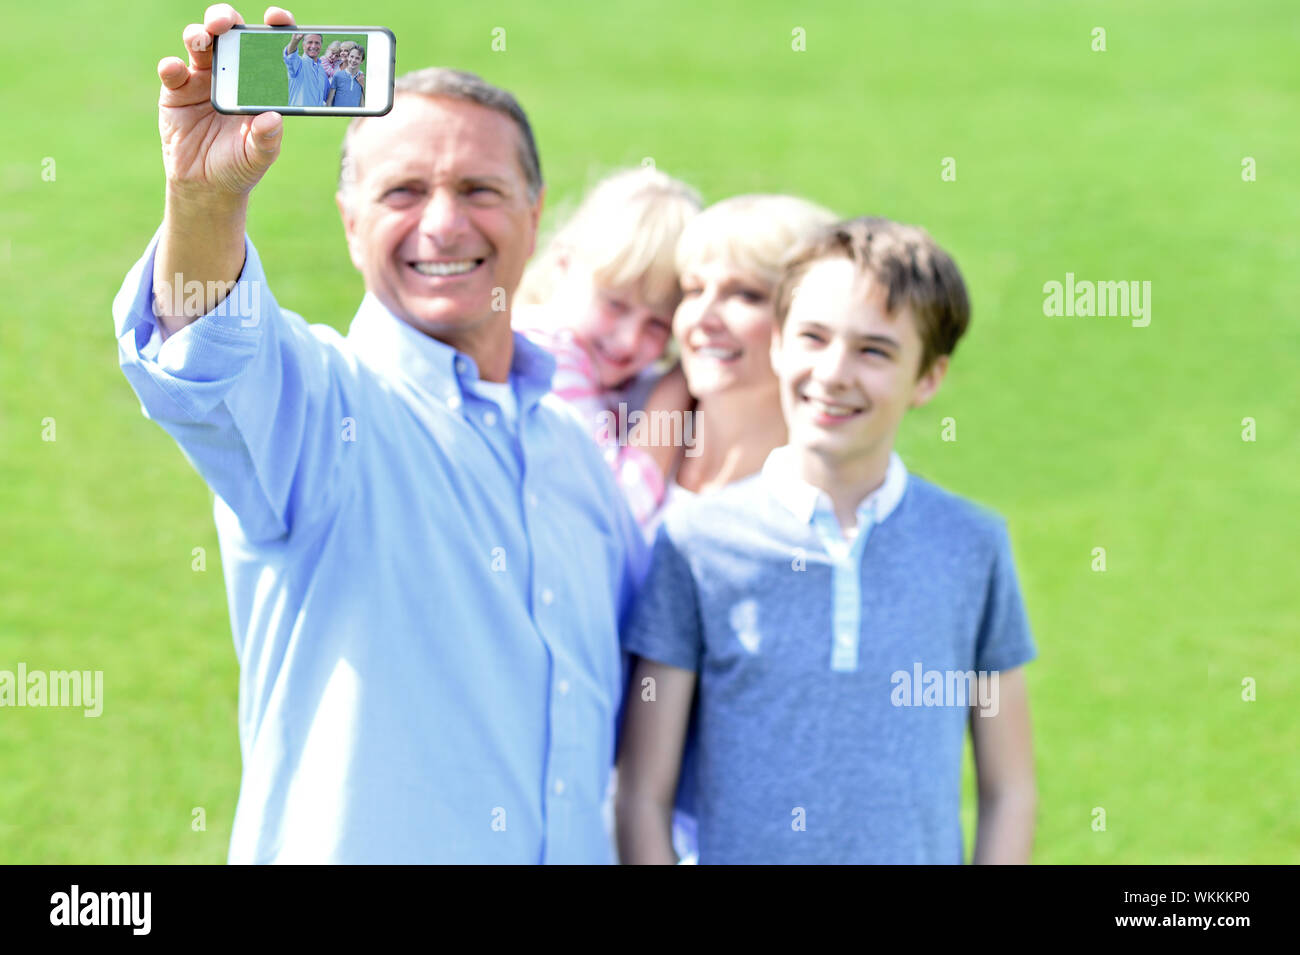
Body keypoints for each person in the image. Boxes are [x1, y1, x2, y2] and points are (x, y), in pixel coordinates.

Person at [115, 4, 646, 863]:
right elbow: (207, 354)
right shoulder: (326, 407)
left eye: (479, 190)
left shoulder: (578, 457)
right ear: (349, 218)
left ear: (535, 213)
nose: (443, 224)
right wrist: (204, 202)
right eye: (404, 192)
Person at [616, 217, 1038, 864]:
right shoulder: (698, 543)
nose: (834, 372)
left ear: (928, 377)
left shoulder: (972, 546)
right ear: (779, 345)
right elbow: (643, 794)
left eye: (875, 350)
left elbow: (1009, 788)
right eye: (813, 337)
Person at [513, 167, 701, 524]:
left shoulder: (614, 373)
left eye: (658, 324)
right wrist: (677, 386)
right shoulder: (543, 351)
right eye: (615, 304)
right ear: (562, 264)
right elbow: (622, 506)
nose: (629, 340)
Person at [648, 194, 838, 533]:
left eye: (746, 295)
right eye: (693, 290)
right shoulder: (619, 416)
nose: (703, 318)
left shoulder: (819, 508)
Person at [282, 30, 327, 106]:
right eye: (310, 42)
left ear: (321, 46)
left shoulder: (321, 70)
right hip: (299, 116)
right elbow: (290, 56)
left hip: (317, 117)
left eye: (317, 43)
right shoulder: (299, 63)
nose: (313, 46)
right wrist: (294, 41)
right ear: (303, 45)